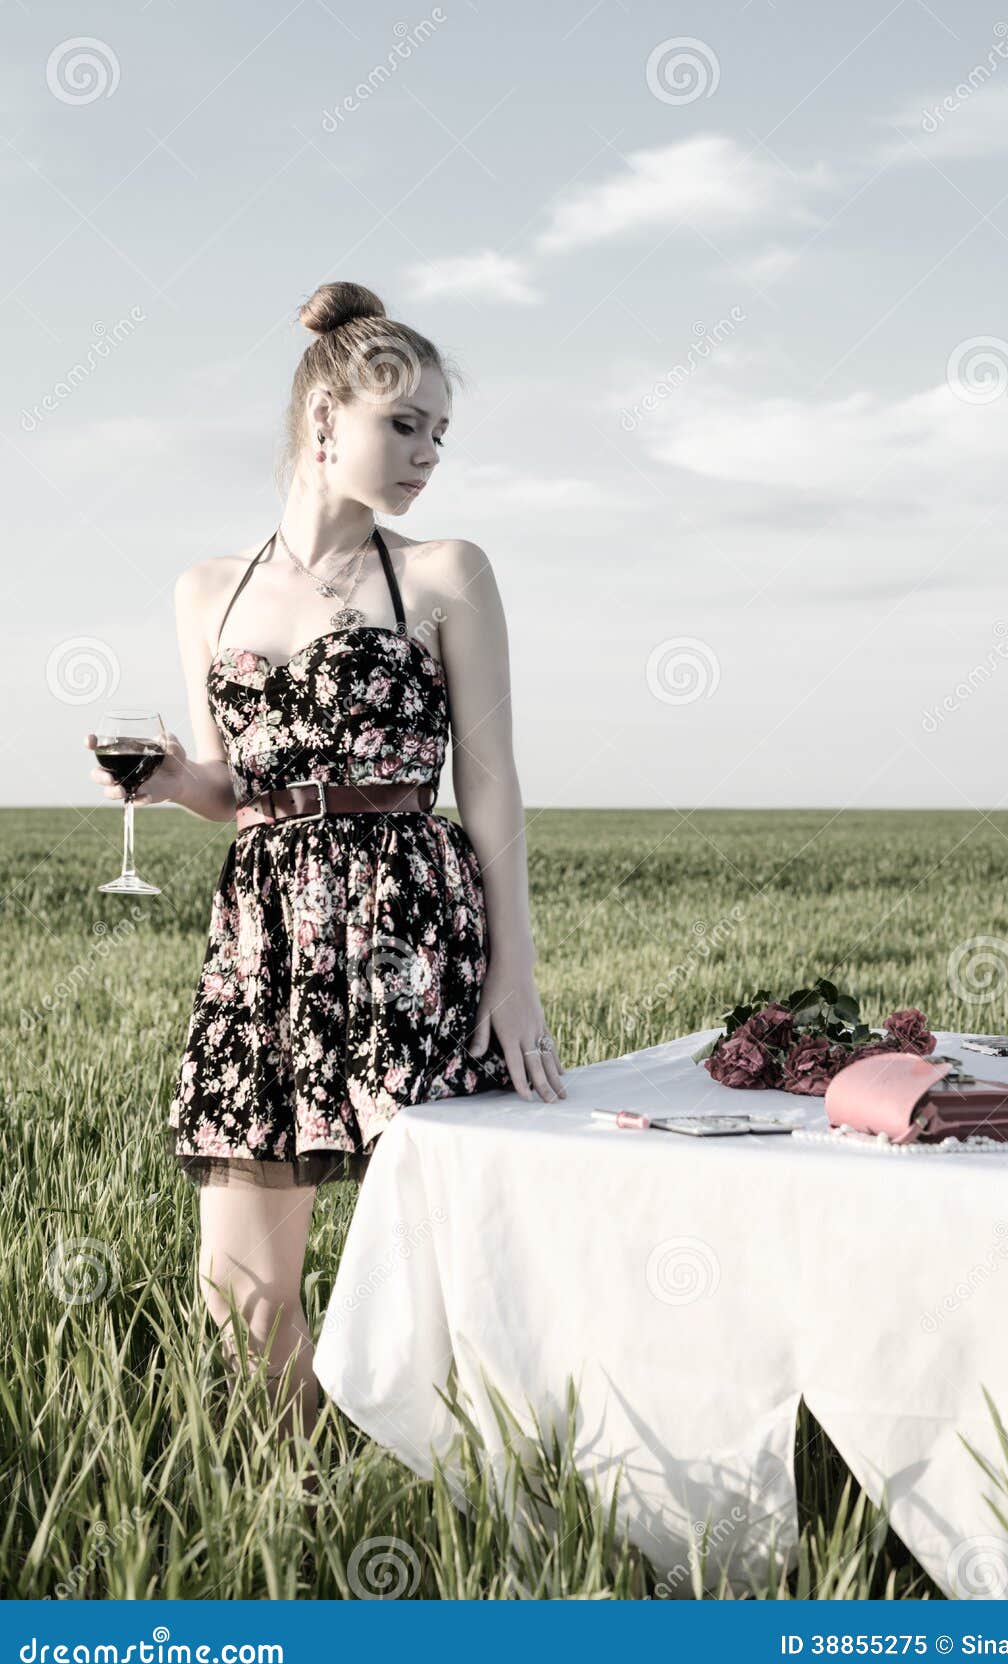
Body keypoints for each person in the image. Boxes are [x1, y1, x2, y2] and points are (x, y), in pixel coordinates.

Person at [87, 280, 566, 1439]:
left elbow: (490, 782)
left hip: (411, 920)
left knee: (451, 1255)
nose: (428, 454)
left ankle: (478, 1480)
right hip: (266, 937)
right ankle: (320, 1489)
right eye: (406, 425)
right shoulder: (210, 588)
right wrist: (164, 781)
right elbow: (228, 785)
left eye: (440, 433)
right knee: (238, 1287)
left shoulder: (446, 572)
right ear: (321, 421)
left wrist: (515, 974)